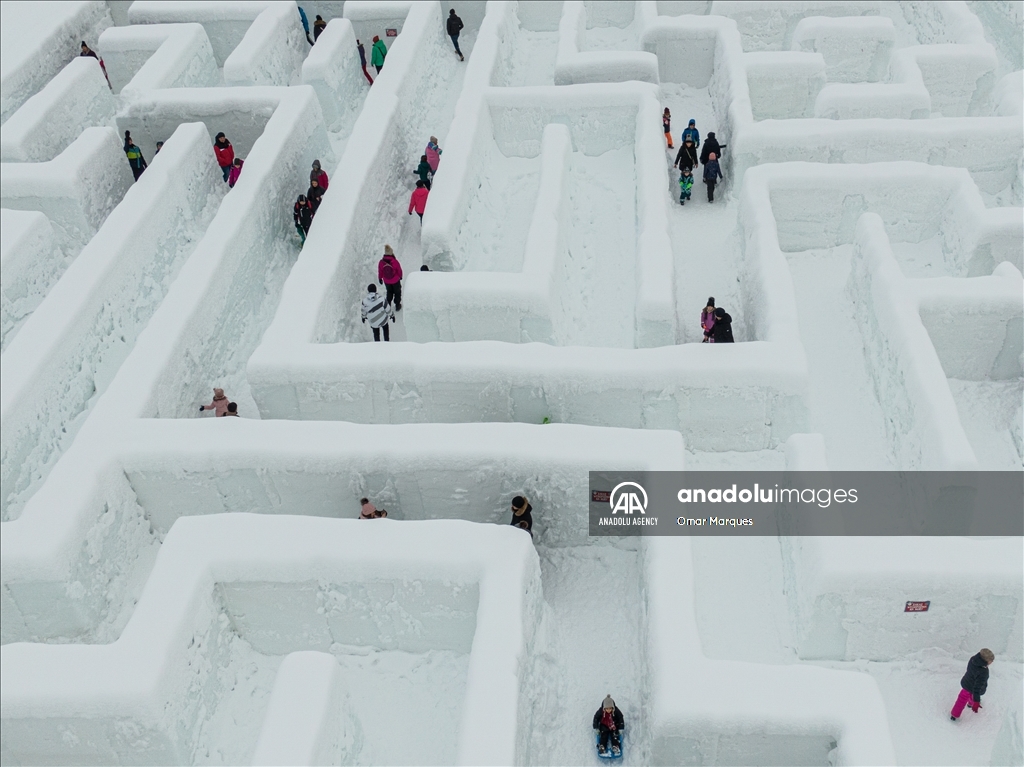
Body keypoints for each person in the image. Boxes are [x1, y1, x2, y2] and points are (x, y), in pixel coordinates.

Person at [951, 649, 995, 721]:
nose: (992, 662)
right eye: (991, 660)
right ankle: (971, 704)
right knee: (973, 695)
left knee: (961, 699)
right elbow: (977, 688)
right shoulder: (983, 672)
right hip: (974, 688)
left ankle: (954, 714)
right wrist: (977, 702)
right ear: (985, 660)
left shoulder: (973, 660)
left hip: (967, 683)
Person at [378, 245, 403, 311]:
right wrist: (400, 276)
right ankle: (397, 305)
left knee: (389, 292)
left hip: (386, 280)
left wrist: (380, 278)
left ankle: (388, 304)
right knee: (397, 292)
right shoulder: (395, 261)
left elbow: (380, 271)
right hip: (395, 280)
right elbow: (399, 270)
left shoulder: (381, 262)